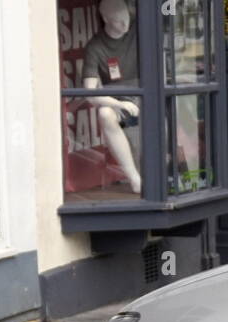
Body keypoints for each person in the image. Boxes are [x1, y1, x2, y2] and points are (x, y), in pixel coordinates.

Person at [80, 0, 142, 195]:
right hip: (118, 96)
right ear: (106, 19)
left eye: (126, 19)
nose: (124, 25)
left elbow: (168, 11)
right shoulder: (95, 47)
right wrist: (116, 103)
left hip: (146, 89)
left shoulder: (137, 27)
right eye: (118, 21)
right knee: (105, 113)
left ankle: (164, 170)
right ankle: (134, 177)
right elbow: (89, 92)